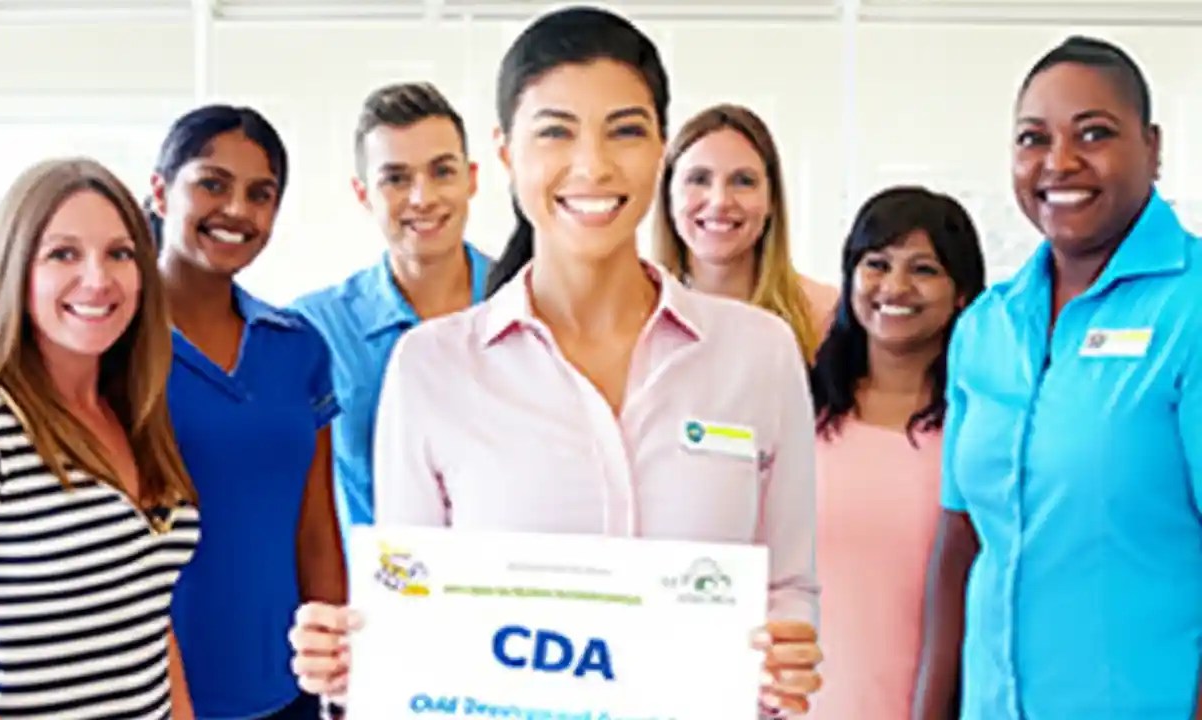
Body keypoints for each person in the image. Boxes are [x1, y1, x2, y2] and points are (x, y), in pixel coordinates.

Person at [286, 6, 824, 717]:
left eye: (625, 131)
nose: (593, 165)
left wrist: (788, 650)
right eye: (555, 132)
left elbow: (790, 585)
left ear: (661, 145)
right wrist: (361, 663)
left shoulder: (758, 353)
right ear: (506, 154)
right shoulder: (433, 367)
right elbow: (414, 607)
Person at [912, 36, 1202, 720]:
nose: (1059, 162)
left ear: (1152, 147)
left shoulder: (1190, 308)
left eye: (1094, 134)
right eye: (1032, 138)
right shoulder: (987, 325)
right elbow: (960, 545)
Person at [0, 158, 199, 718]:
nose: (97, 279)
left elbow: (146, 614)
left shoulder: (134, 416)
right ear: (15, 270)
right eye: (63, 254)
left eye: (119, 253)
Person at [146, 105, 346, 720]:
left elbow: (315, 529)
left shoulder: (298, 347)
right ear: (159, 191)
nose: (236, 210)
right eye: (212, 184)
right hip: (152, 691)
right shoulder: (117, 351)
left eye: (260, 194)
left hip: (287, 691)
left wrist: (340, 682)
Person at [807, 187, 985, 720]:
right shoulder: (797, 407)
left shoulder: (978, 425)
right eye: (876, 264)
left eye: (924, 269)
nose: (895, 287)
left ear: (961, 292)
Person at [290, 82, 490, 544]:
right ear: (363, 194)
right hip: (375, 601)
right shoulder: (315, 330)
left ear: (471, 178)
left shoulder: (532, 304)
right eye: (396, 179)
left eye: (442, 171)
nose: (422, 198)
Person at [651, 103, 838, 362]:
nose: (720, 201)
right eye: (698, 179)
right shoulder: (634, 317)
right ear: (668, 196)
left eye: (743, 181)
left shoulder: (826, 315)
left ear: (772, 199)